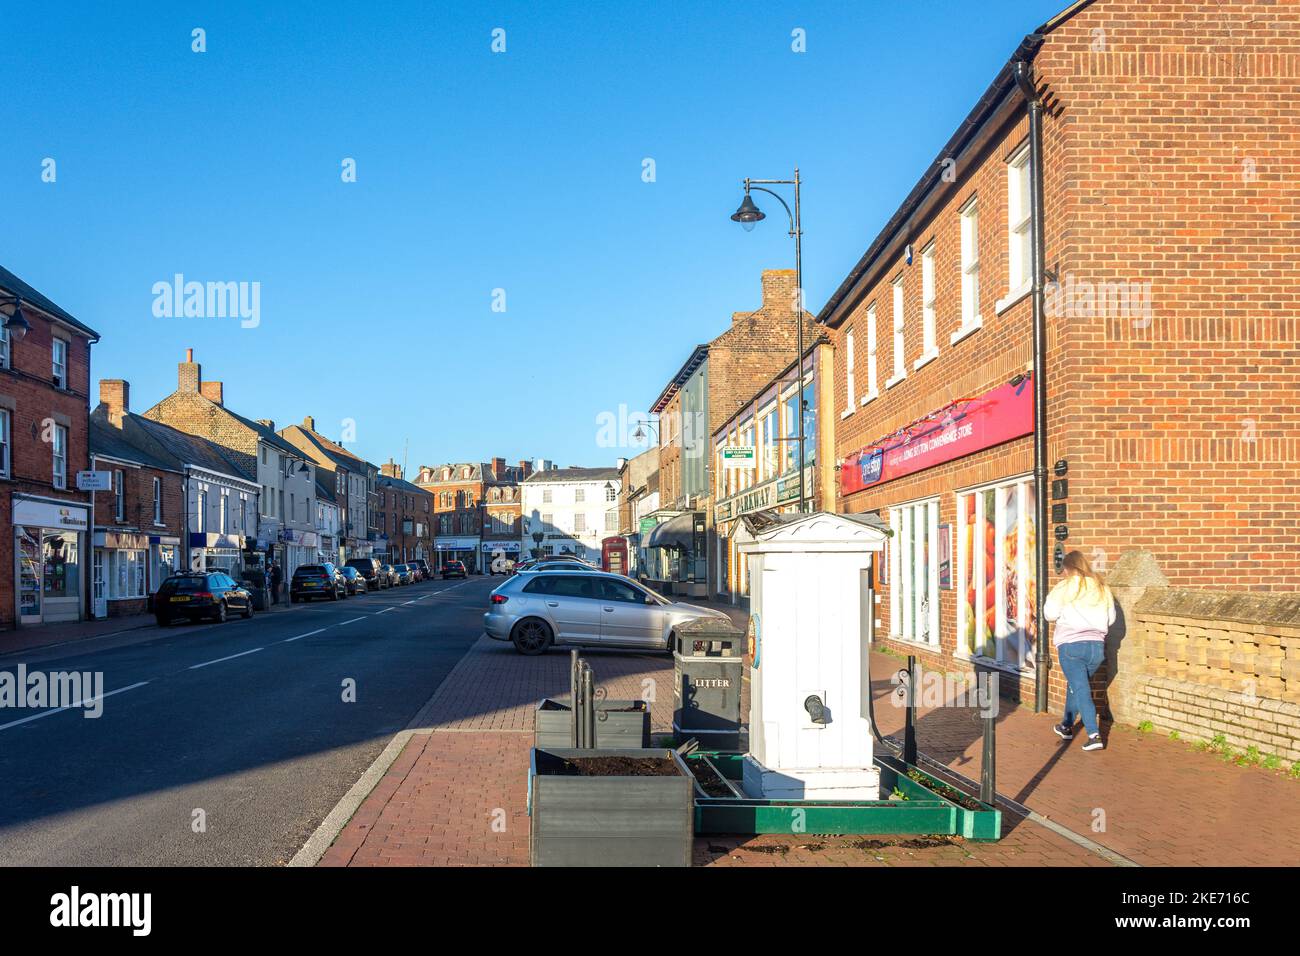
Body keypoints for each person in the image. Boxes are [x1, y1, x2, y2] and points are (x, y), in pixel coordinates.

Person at [1044, 550, 1115, 751]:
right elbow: (1111, 619)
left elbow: (1049, 614)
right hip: (1096, 648)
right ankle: (1066, 726)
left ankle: (1094, 734)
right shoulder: (1101, 587)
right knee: (1076, 686)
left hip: (1071, 646)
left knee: (1081, 689)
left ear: (1068, 568)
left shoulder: (1063, 588)